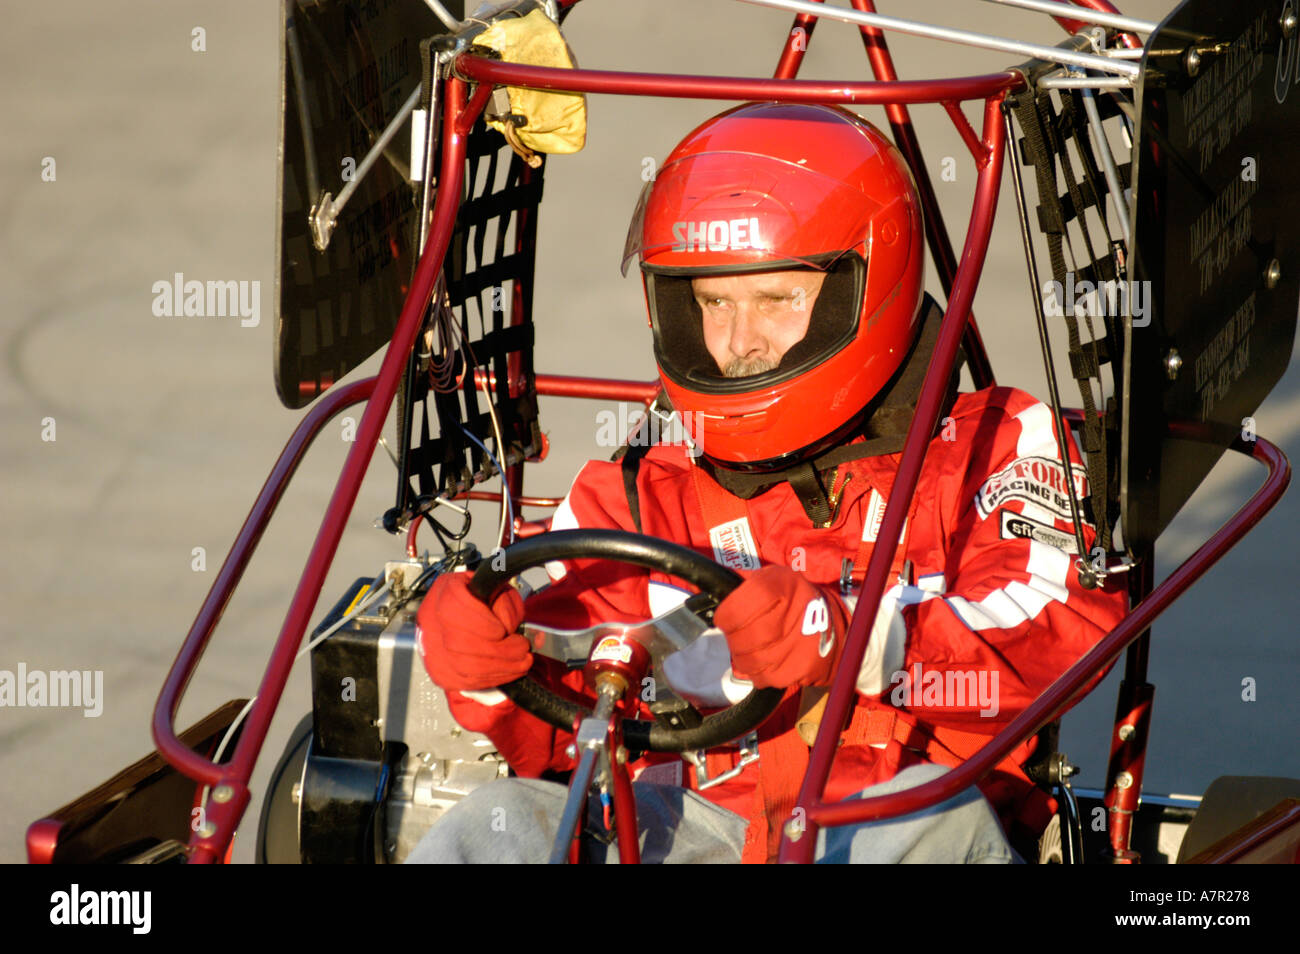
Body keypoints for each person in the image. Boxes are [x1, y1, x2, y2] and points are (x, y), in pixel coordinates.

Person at [408, 102, 1128, 863]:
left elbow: (1067, 633)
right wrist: (488, 663)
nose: (738, 343)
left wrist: (853, 634)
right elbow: (560, 742)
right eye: (714, 302)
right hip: (696, 824)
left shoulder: (992, 443)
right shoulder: (640, 491)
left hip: (900, 815)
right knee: (498, 821)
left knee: (911, 824)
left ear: (865, 290)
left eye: (777, 299)